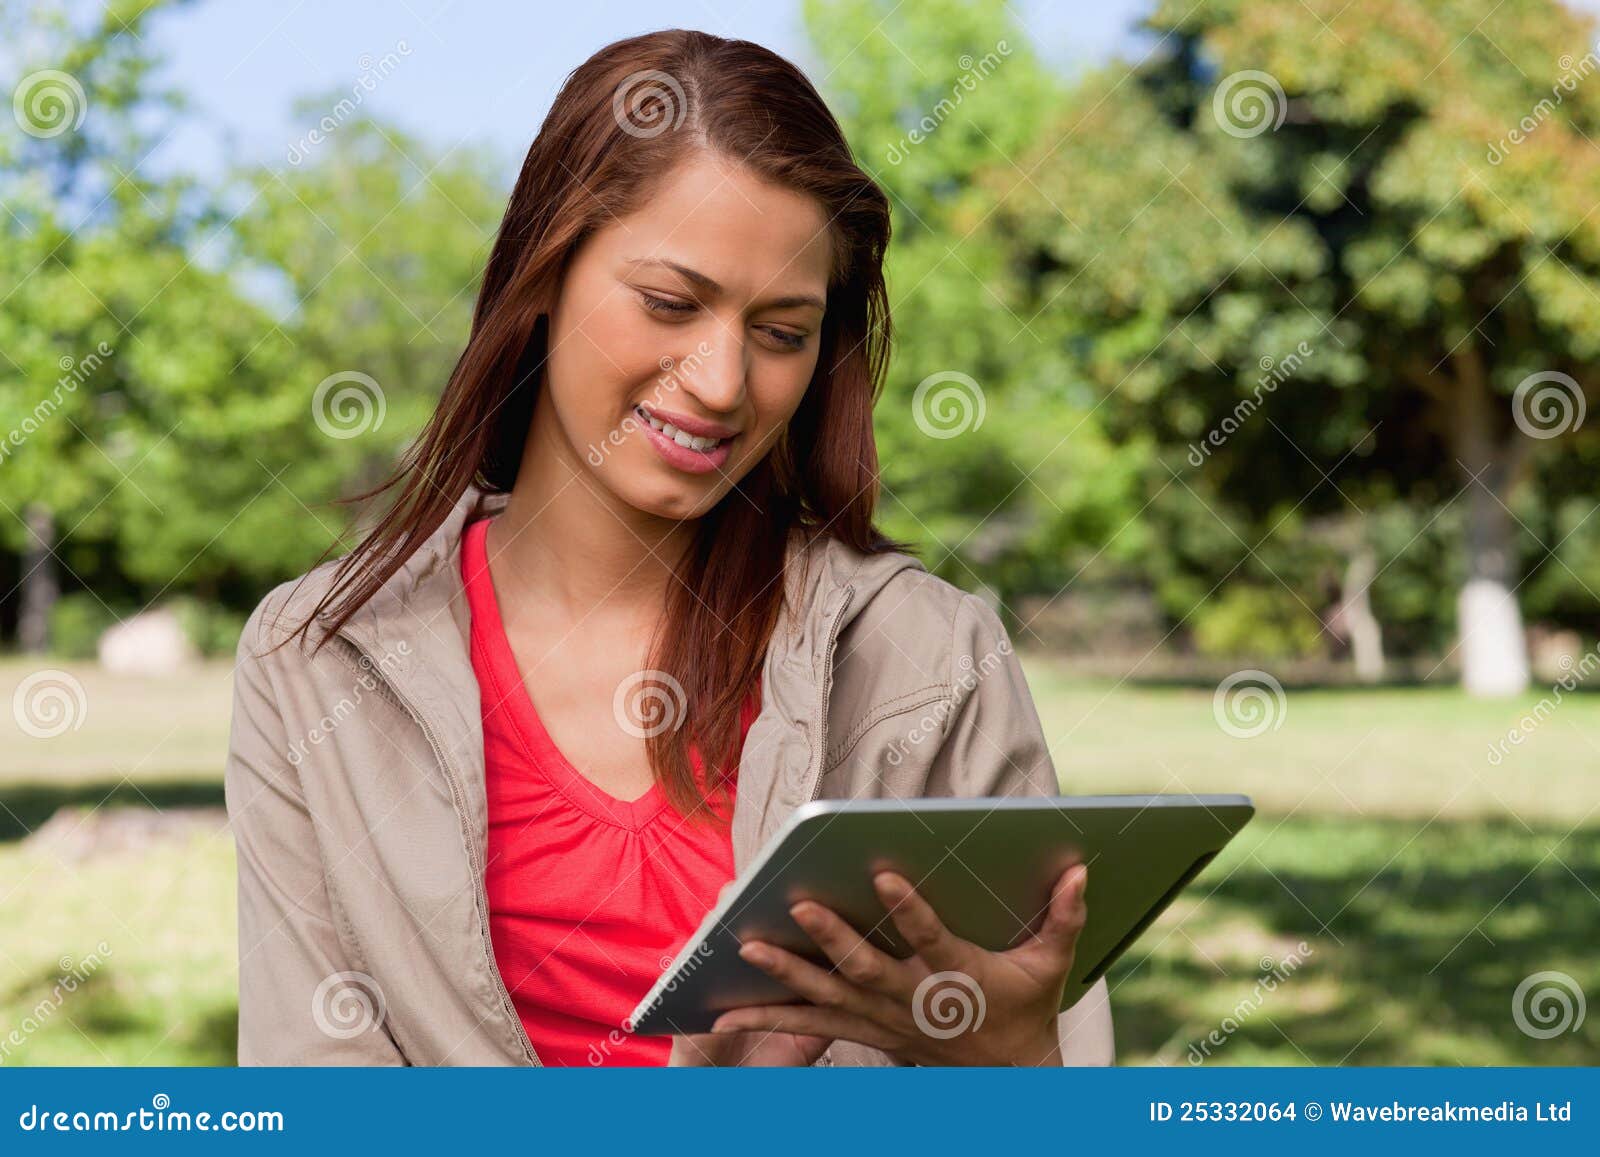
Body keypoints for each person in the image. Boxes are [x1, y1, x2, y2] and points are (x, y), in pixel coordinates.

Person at [224, 28, 1114, 1067]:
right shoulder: (315, 657)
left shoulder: (929, 657)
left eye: (781, 332)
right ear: (544, 273)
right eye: (670, 304)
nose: (722, 381)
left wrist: (1018, 1066)